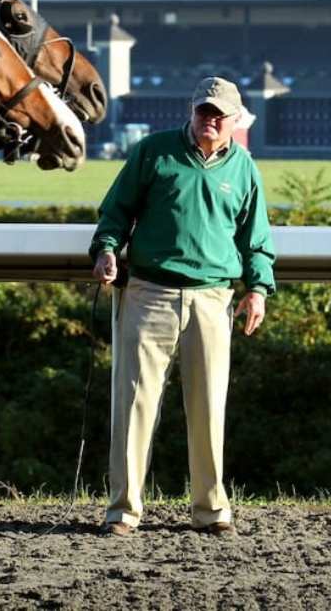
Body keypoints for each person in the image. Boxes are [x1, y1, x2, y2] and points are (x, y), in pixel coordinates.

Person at [90, 75, 276, 537]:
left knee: (210, 405)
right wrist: (107, 249)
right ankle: (123, 512)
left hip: (214, 298)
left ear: (235, 120)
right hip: (148, 293)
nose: (209, 120)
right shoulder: (153, 151)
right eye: (202, 111)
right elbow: (115, 211)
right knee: (133, 404)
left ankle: (211, 511)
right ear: (190, 112)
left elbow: (256, 241)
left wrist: (258, 290)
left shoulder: (245, 169)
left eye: (218, 115)